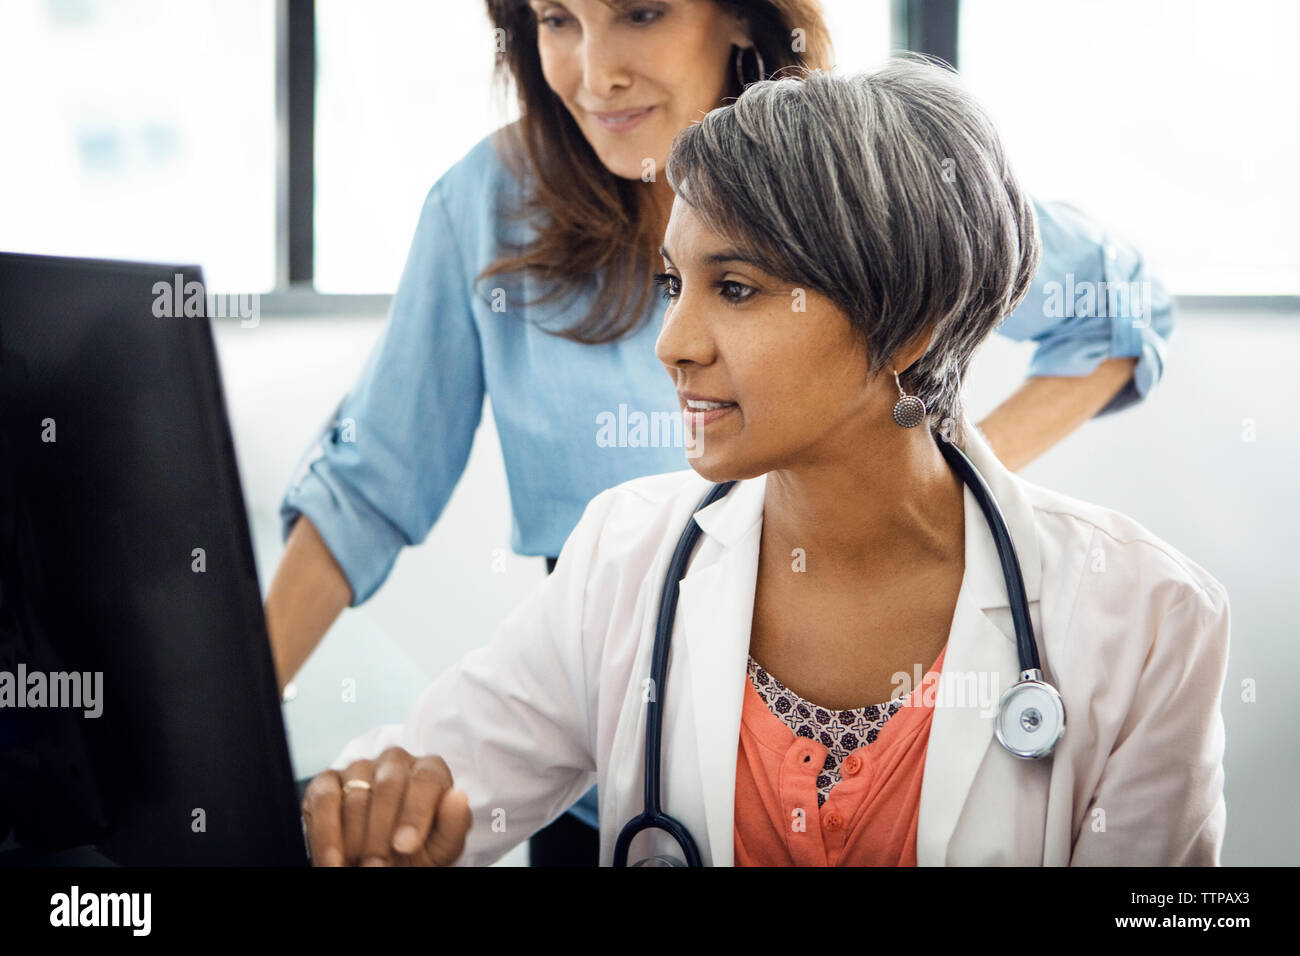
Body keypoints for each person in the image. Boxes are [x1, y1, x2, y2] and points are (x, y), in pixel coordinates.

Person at [273, 0, 1175, 866]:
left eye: (641, 12)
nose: (595, 74)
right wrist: (214, 742)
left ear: (739, 13)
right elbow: (366, 488)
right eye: (555, 20)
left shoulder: (861, 170)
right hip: (610, 757)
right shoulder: (490, 206)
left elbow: (1110, 304)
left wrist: (936, 491)